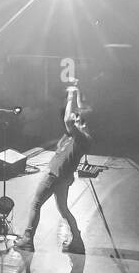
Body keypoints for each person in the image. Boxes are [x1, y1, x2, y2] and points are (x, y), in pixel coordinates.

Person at [13, 86, 89, 253]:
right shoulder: (77, 136)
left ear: (82, 123)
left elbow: (68, 120)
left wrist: (70, 96)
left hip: (56, 175)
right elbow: (74, 117)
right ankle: (77, 239)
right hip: (63, 176)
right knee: (63, 208)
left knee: (36, 203)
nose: (74, 120)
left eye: (77, 120)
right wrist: (76, 95)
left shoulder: (82, 137)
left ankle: (27, 239)